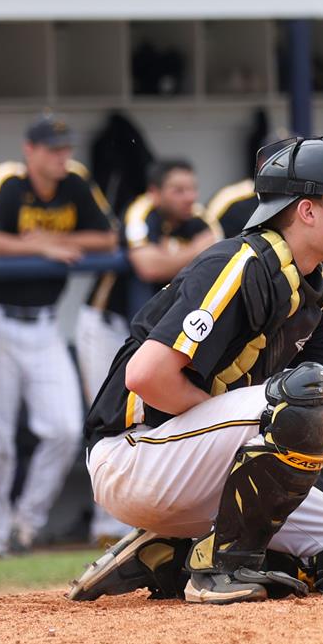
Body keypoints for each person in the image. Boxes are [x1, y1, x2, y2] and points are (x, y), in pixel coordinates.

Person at [68, 136, 323, 604]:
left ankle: (171, 551)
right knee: (303, 400)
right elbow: (145, 376)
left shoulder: (313, 285)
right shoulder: (242, 262)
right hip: (134, 455)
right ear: (307, 211)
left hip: (198, 467)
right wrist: (246, 425)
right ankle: (216, 567)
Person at [0, 113, 116, 557]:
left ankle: (26, 523)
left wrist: (54, 237)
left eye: (65, 148)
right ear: (30, 150)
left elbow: (108, 239)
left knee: (63, 428)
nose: (63, 157)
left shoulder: (75, 182)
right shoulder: (9, 182)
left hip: (43, 325)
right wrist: (40, 244)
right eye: (53, 149)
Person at [74, 157, 216, 542]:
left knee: (149, 419)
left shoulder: (200, 220)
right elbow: (148, 266)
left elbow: (215, 262)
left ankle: (137, 524)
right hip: (105, 326)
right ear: (156, 192)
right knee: (107, 418)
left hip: (152, 336)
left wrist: (187, 255)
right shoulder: (142, 211)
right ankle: (104, 527)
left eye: (192, 188)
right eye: (178, 190)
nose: (189, 197)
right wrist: (193, 254)